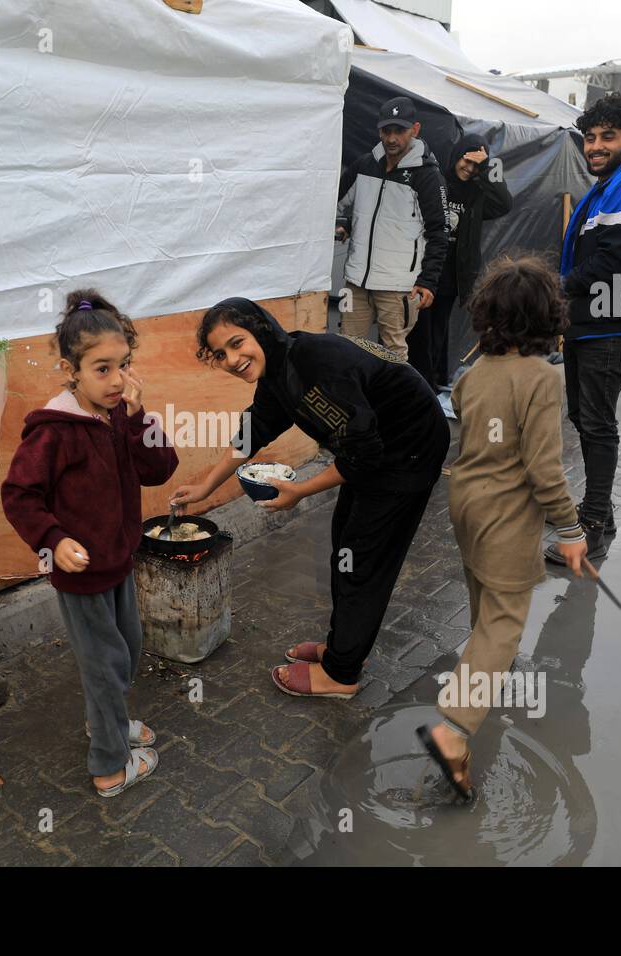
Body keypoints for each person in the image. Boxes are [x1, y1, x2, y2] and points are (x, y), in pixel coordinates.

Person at [171, 298, 450, 699]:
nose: (232, 359)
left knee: (364, 560)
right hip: (378, 450)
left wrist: (299, 491)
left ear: (261, 330)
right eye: (221, 354)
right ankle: (344, 649)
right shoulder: (279, 368)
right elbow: (256, 429)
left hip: (407, 453)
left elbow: (363, 453)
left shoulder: (313, 367)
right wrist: (206, 487)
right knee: (347, 545)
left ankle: (341, 675)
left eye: (237, 343)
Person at [418, 256, 588, 800]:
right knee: (503, 622)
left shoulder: (473, 375)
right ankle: (454, 727)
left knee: (483, 600)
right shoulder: (541, 378)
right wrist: (571, 529)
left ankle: (482, 671)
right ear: (548, 318)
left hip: (465, 505)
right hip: (508, 517)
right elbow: (543, 468)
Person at [0, 290, 179, 797]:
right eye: (102, 369)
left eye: (123, 365)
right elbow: (19, 494)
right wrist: (52, 540)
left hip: (119, 561)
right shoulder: (55, 432)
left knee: (124, 652)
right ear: (70, 369)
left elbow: (159, 469)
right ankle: (108, 765)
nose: (118, 379)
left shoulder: (121, 417)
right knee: (105, 665)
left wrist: (140, 419)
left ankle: (110, 722)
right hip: (80, 576)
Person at [546, 93, 621, 565]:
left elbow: (614, 258)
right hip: (588, 321)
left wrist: (557, 289)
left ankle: (594, 527)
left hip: (608, 322)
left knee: (597, 424)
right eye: (590, 138)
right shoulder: (605, 185)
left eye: (606, 137)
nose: (595, 145)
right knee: (585, 420)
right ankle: (597, 511)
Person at [335, 96, 449, 364]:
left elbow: (439, 232)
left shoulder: (428, 175)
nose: (392, 138)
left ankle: (391, 406)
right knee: (346, 347)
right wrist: (344, 222)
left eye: (400, 131)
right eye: (387, 131)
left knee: (393, 356)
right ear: (379, 130)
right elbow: (335, 202)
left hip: (398, 287)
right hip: (355, 281)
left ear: (415, 129)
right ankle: (352, 404)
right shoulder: (364, 164)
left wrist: (428, 282)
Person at [407, 132, 513, 390]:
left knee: (439, 332)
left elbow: (504, 204)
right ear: (456, 157)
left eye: (476, 165)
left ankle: (434, 384)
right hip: (425, 270)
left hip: (453, 276)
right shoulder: (437, 182)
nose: (469, 168)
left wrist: (486, 169)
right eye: (466, 161)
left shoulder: (477, 194)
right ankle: (419, 384)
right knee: (419, 332)